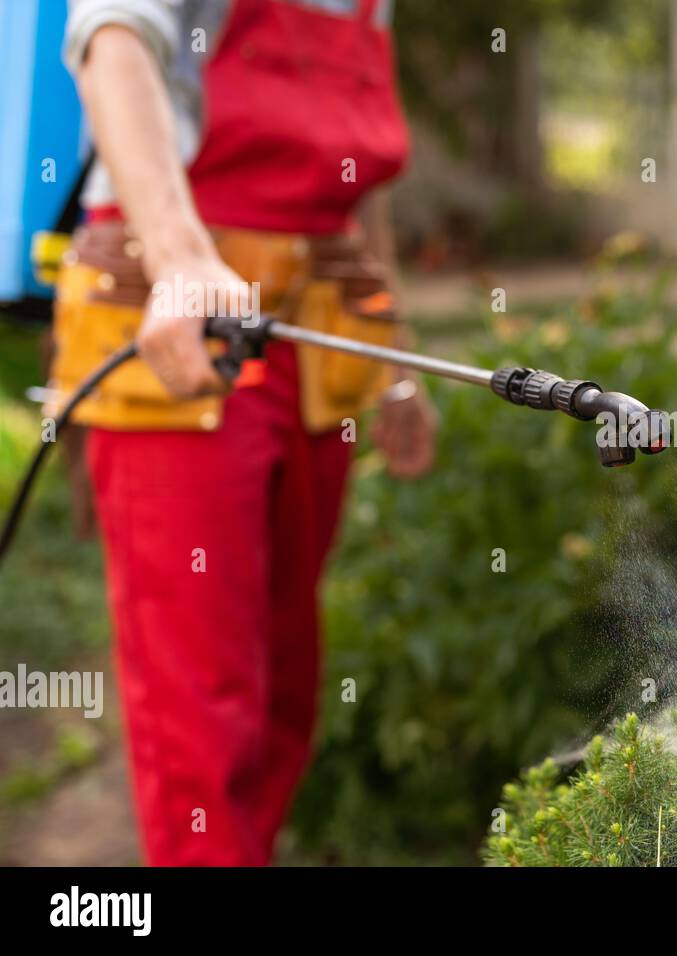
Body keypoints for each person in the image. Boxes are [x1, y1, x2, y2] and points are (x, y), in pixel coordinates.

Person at [53, 0, 437, 865]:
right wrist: (181, 255)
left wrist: (397, 360)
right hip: (176, 323)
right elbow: (115, 42)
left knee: (283, 689)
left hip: (312, 339)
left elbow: (354, 184)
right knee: (201, 704)